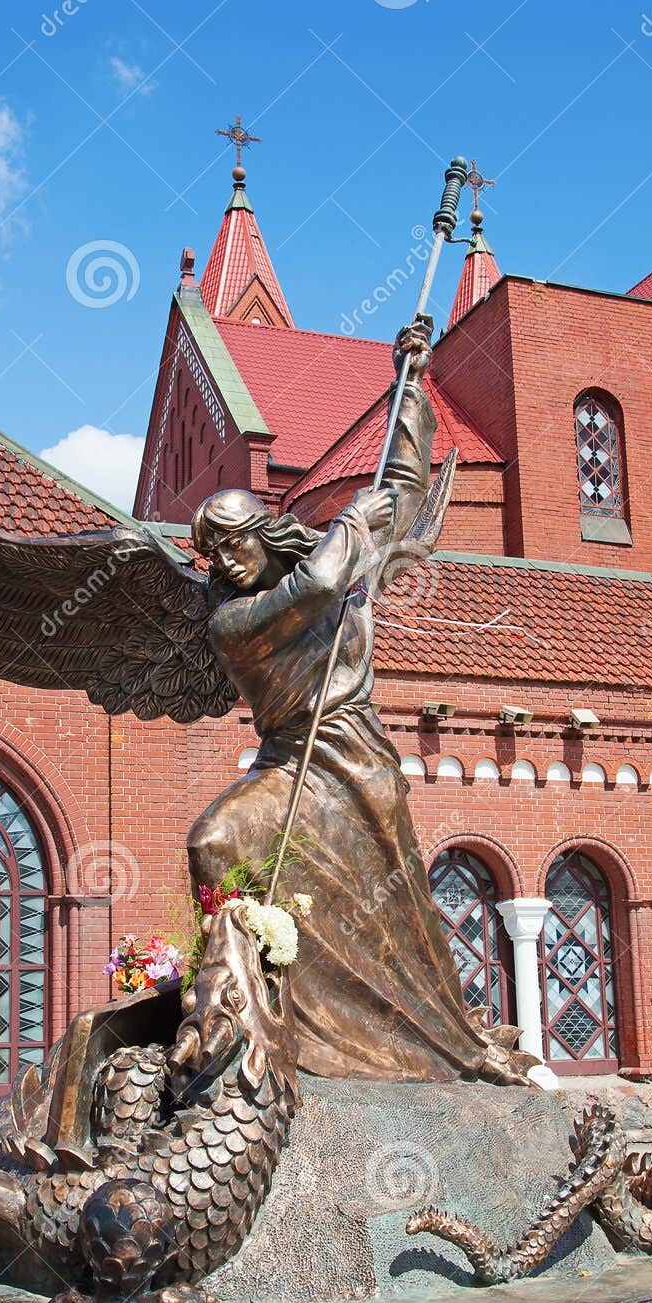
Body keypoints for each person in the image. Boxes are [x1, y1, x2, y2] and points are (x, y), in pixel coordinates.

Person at [188, 324, 535, 1086]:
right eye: (211, 552)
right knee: (215, 838)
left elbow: (400, 493)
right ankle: (242, 1010)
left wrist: (408, 384)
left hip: (354, 757)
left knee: (396, 910)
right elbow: (310, 586)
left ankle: (436, 1036)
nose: (222, 561)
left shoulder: (342, 579)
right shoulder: (233, 615)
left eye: (234, 543)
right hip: (289, 760)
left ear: (263, 534)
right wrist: (348, 528)